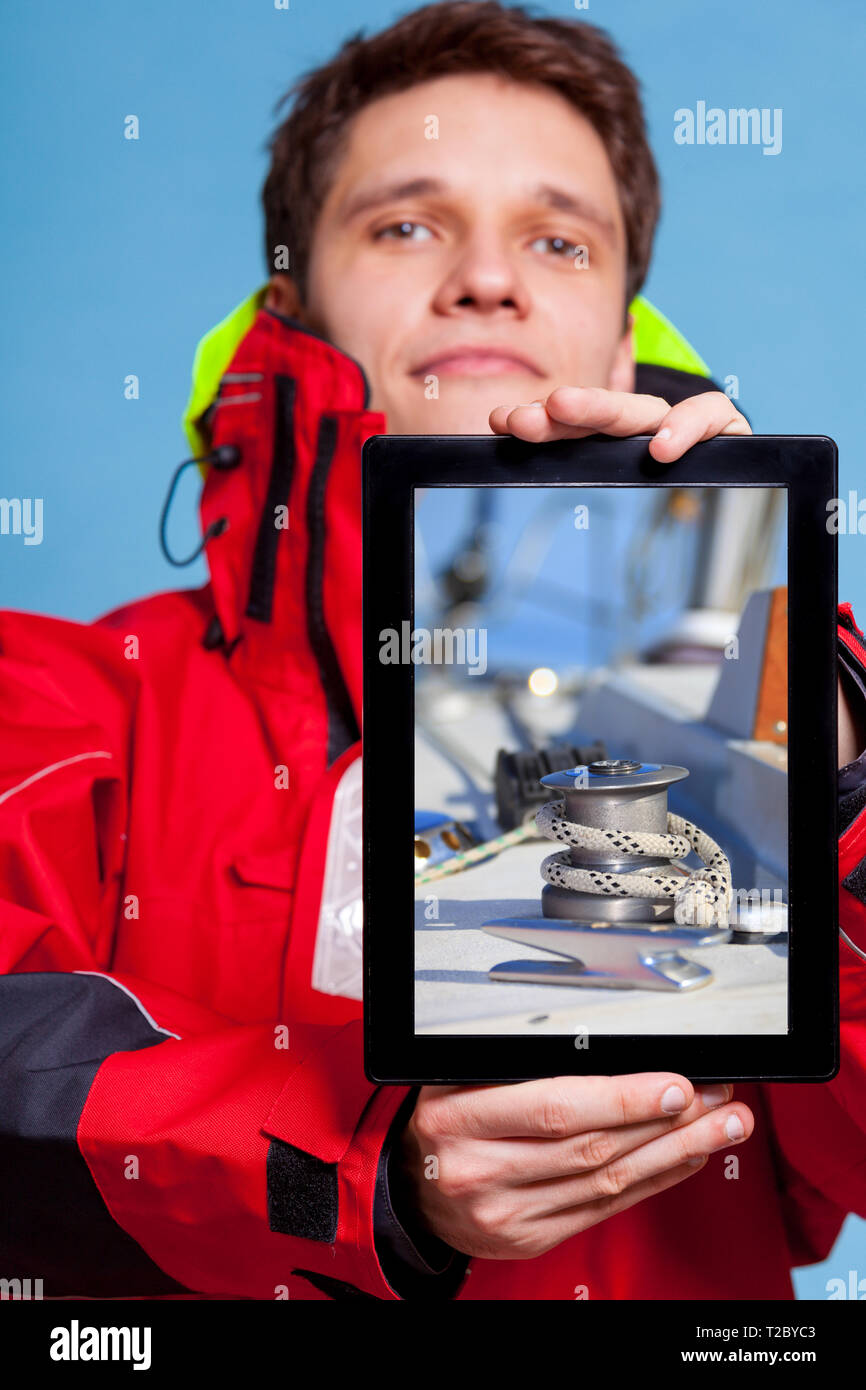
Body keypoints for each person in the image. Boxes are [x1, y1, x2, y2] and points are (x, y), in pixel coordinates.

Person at [1, 0, 864, 1302]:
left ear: (626, 337)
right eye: (405, 223)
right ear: (287, 303)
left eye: (558, 238)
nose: (486, 276)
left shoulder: (793, 696)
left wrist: (827, 761)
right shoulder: (67, 698)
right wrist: (358, 1172)